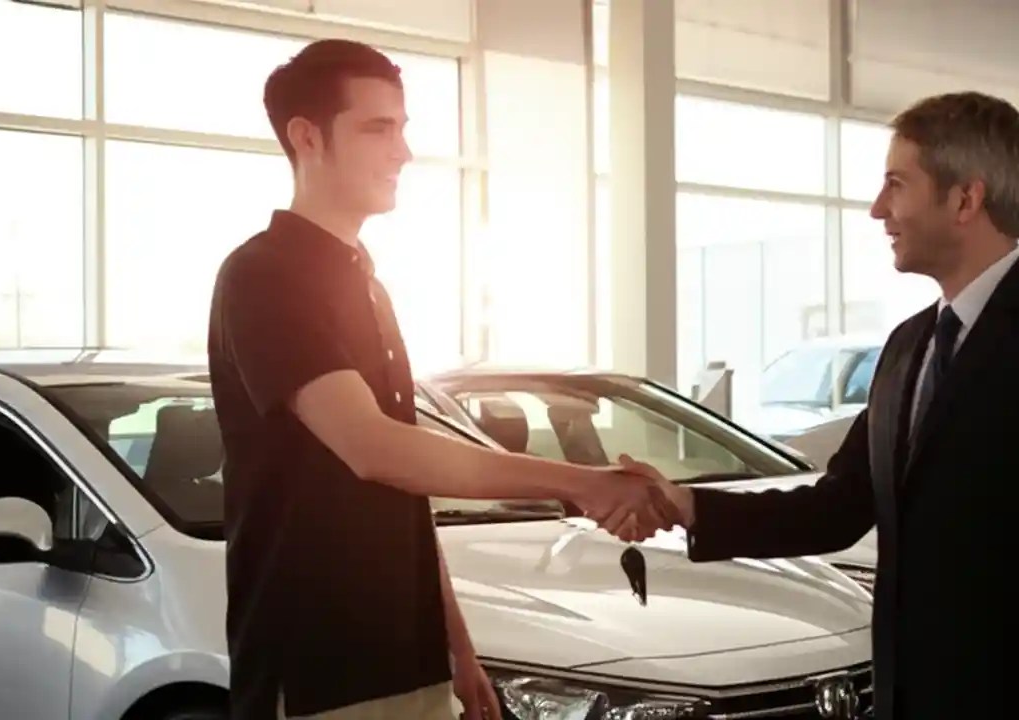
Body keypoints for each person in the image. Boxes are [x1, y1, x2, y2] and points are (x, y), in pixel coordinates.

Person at [643, 92, 1019, 719]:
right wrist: (687, 505)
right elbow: (838, 506)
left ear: (965, 199)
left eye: (896, 184)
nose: (877, 209)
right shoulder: (907, 346)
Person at [207, 39, 677, 720]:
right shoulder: (262, 276)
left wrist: (458, 650)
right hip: (316, 668)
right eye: (377, 128)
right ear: (306, 137)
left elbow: (409, 489)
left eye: (402, 128)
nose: (402, 151)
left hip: (411, 659)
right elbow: (375, 450)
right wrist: (581, 482)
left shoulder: (368, 285)